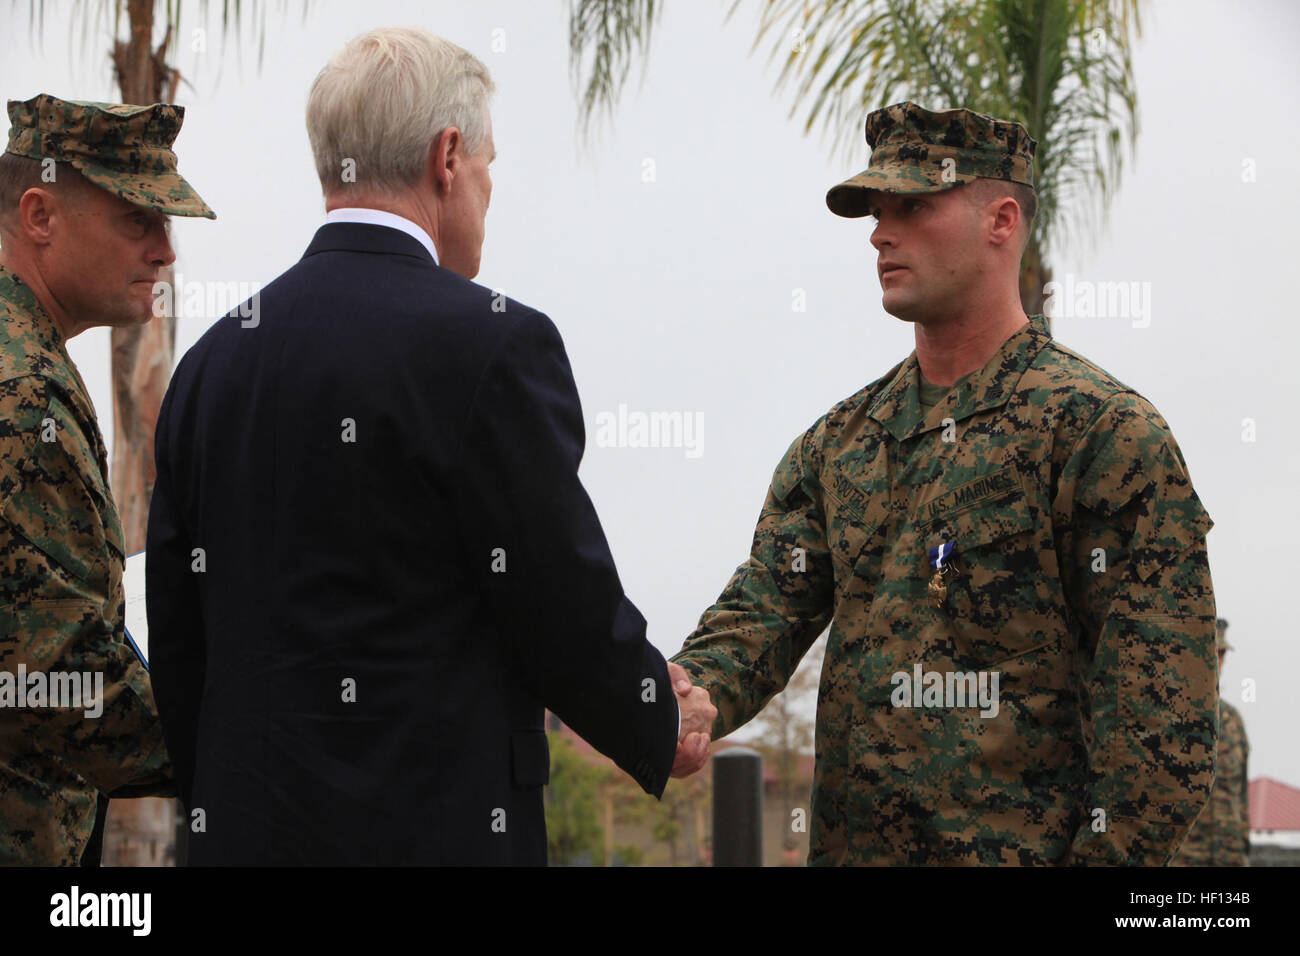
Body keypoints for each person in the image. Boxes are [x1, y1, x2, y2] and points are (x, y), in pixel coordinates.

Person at [145, 26, 715, 866]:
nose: (487, 188)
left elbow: (181, 642)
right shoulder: (492, 346)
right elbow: (557, 596)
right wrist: (656, 718)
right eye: (489, 165)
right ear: (447, 157)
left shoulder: (209, 366)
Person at [671, 102, 1218, 866]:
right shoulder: (840, 444)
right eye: (876, 211)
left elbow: (1161, 727)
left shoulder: (1100, 436)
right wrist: (693, 691)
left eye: (914, 206)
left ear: (1001, 221)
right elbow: (765, 607)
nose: (879, 233)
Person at [0, 94, 214, 864]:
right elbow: (55, 670)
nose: (165, 250)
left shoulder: (31, 360)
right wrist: (229, 749)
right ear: (40, 215)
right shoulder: (21, 393)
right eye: (137, 220)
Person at [1171, 618, 1250, 866]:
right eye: (1211, 653)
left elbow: (1242, 796)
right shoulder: (1168, 718)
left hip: (1229, 856)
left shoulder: (1232, 720)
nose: (1218, 662)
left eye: (1222, 654)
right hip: (1184, 857)